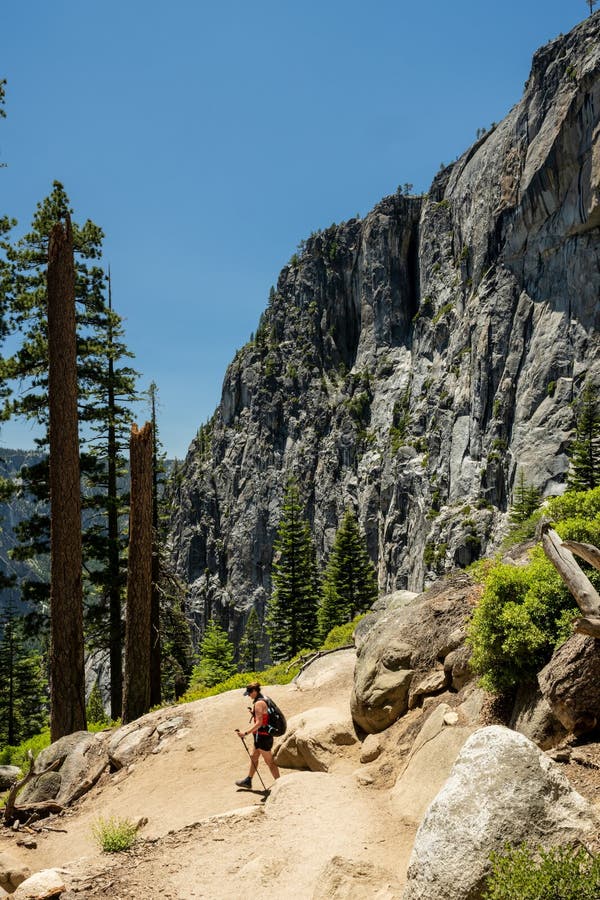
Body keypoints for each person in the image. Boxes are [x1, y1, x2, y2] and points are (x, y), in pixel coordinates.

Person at [235, 681, 280, 788]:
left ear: (255, 691)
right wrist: (253, 713)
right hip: (260, 736)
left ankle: (280, 783)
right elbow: (264, 717)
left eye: (250, 692)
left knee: (269, 762)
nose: (249, 695)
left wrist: (244, 733)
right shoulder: (264, 698)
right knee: (253, 756)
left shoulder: (259, 703)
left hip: (263, 737)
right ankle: (248, 780)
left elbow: (259, 723)